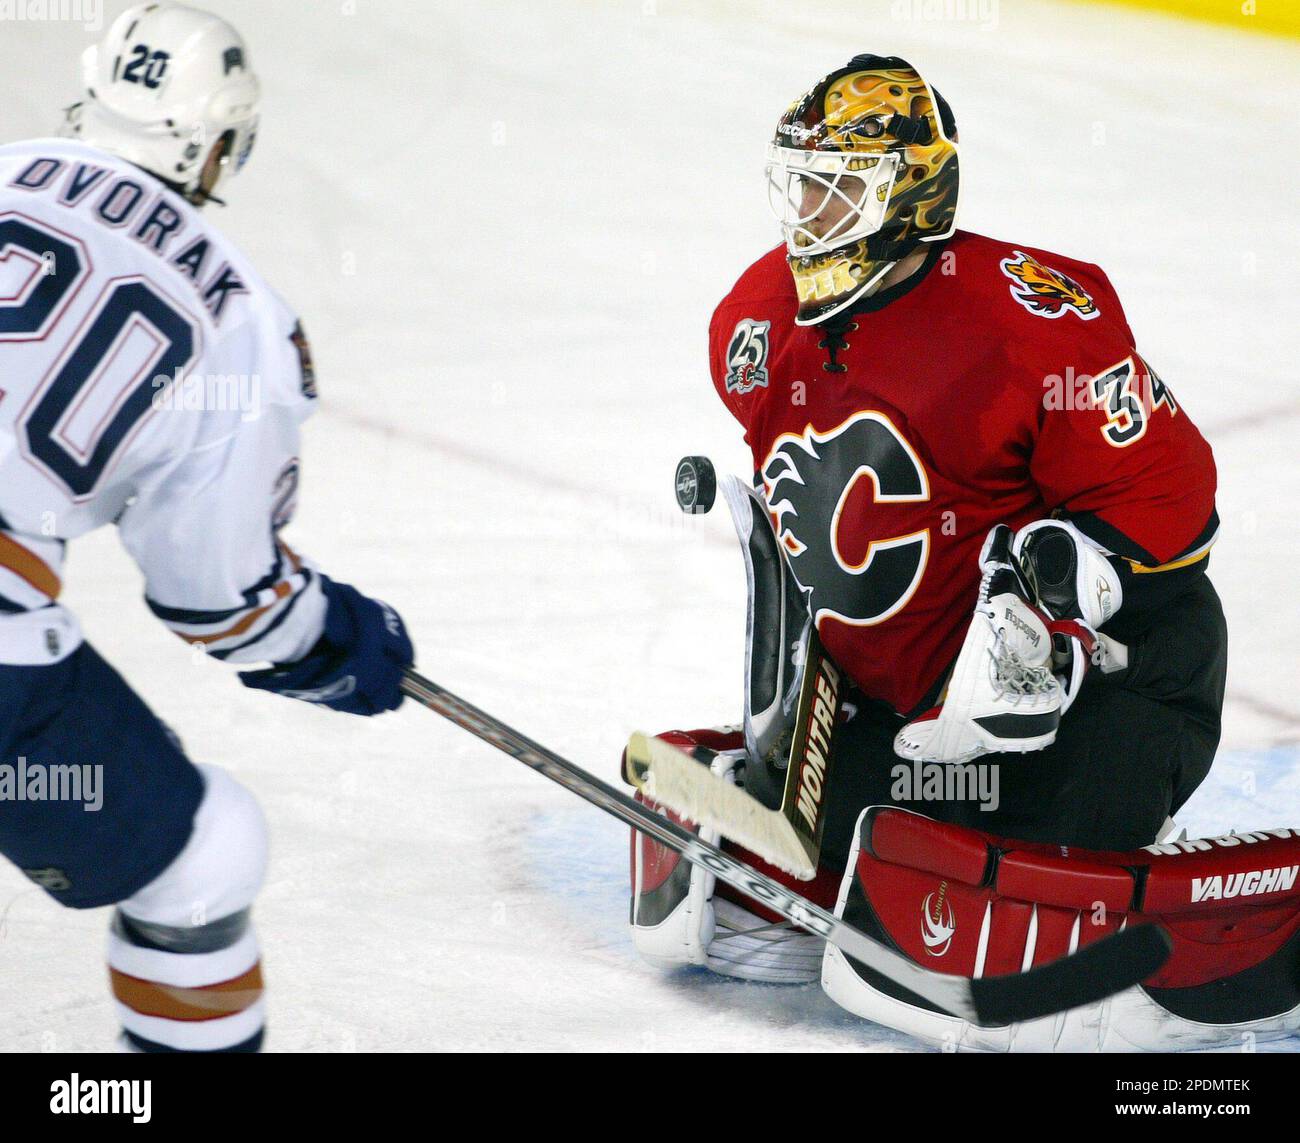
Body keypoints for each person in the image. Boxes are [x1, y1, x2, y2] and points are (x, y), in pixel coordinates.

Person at [628, 54, 1300, 1051]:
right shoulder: (754, 323)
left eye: (836, 187)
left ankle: (1075, 887)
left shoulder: (1032, 320)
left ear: (908, 196)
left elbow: (1171, 494)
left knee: (1037, 817)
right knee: (878, 838)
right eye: (800, 182)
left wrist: (1052, 620)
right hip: (908, 710)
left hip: (1108, 686)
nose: (806, 210)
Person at [0, 3, 413, 1052]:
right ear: (219, 140)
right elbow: (218, 596)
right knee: (205, 856)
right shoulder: (236, 317)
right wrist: (335, 644)